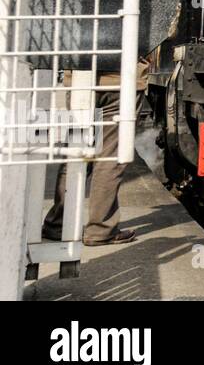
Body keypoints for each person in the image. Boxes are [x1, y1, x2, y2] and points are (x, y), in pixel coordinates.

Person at [41, 60, 147, 246]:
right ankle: (100, 230)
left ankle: (58, 224)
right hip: (121, 81)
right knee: (109, 157)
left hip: (79, 81)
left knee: (75, 152)